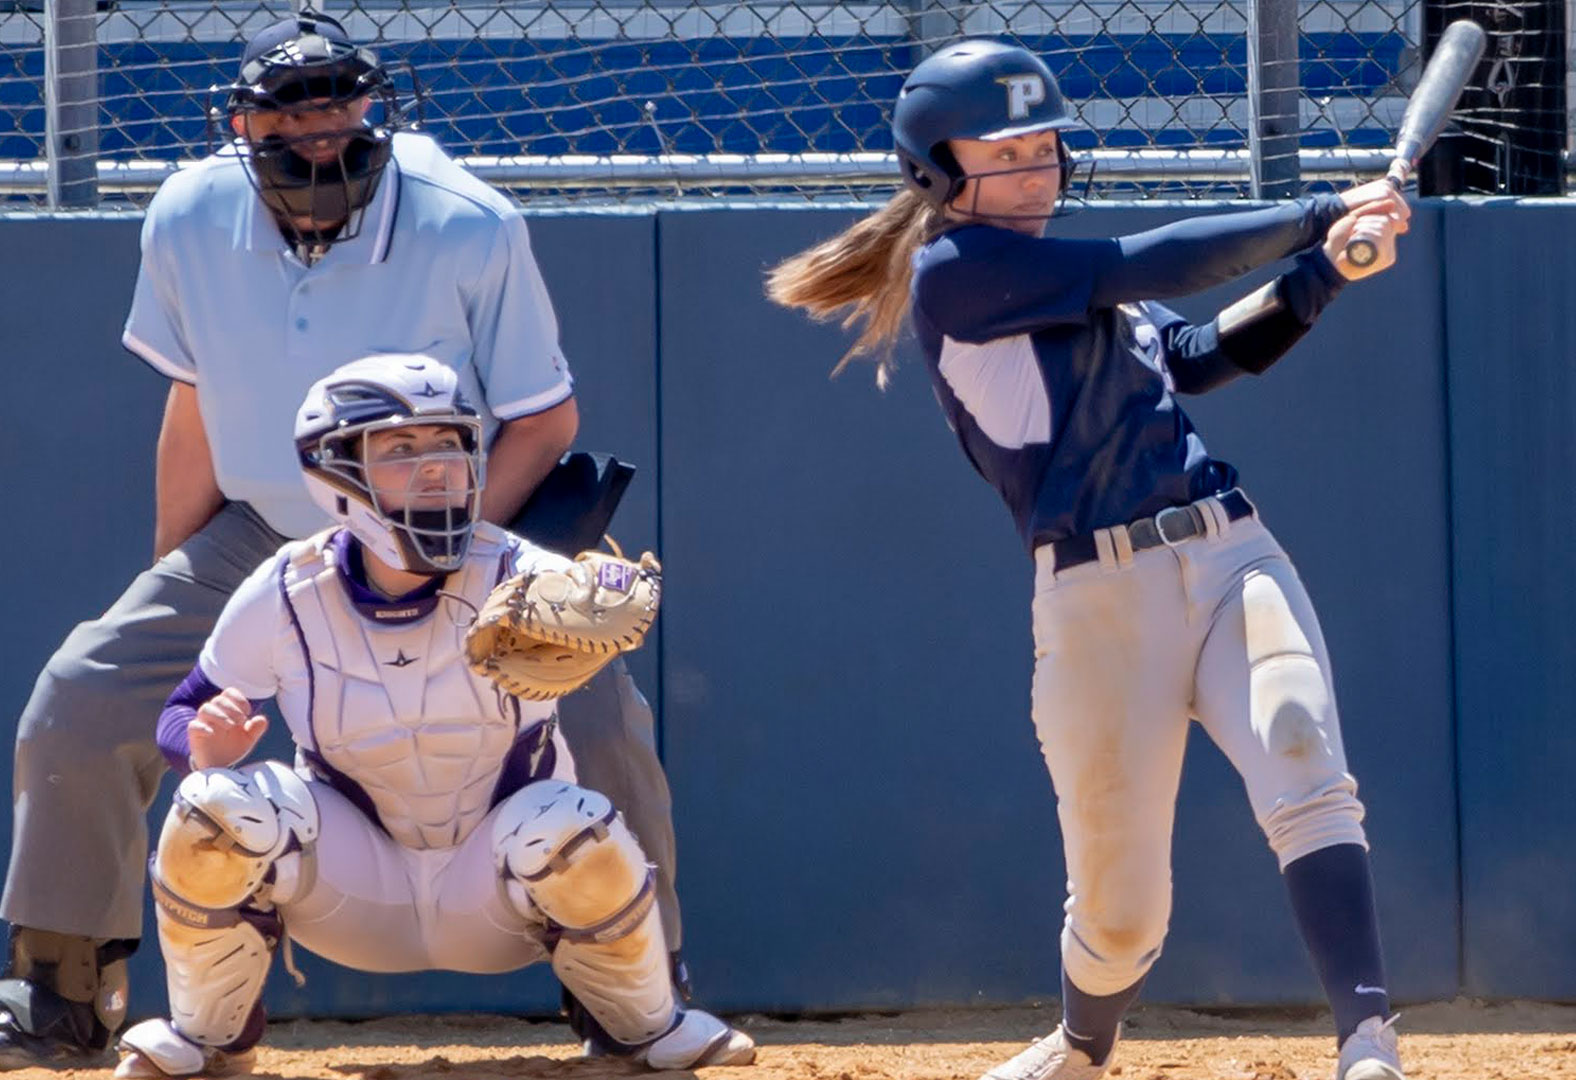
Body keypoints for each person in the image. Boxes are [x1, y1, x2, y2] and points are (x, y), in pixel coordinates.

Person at [0, 12, 686, 1066]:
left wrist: (451, 558)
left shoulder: (467, 221)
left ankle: (641, 988)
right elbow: (195, 401)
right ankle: (61, 987)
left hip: (454, 531)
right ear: (242, 122)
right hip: (264, 531)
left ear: (374, 106)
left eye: (340, 102)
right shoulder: (188, 215)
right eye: (291, 109)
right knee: (83, 694)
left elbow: (545, 420)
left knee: (592, 707)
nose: (321, 128)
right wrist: (174, 579)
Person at [767, 39, 1413, 1080]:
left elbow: (1195, 357)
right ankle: (1081, 1045)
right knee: (1119, 913)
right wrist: (1318, 214)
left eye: (1042, 149)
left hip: (1228, 550)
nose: (1035, 171)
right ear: (935, 171)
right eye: (1002, 155)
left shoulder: (1064, 275)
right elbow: (1140, 264)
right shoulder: (958, 276)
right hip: (1097, 600)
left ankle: (1368, 1040)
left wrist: (1324, 274)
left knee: (1301, 751)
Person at [111, 355, 755, 1079]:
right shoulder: (287, 588)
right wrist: (200, 747)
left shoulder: (520, 573)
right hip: (354, 894)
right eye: (401, 449)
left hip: (499, 894)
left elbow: (605, 592)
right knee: (212, 806)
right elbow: (183, 710)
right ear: (334, 472)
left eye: (449, 444)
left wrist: (608, 596)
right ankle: (207, 1038)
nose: (435, 470)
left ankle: (646, 1028)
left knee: (571, 821)